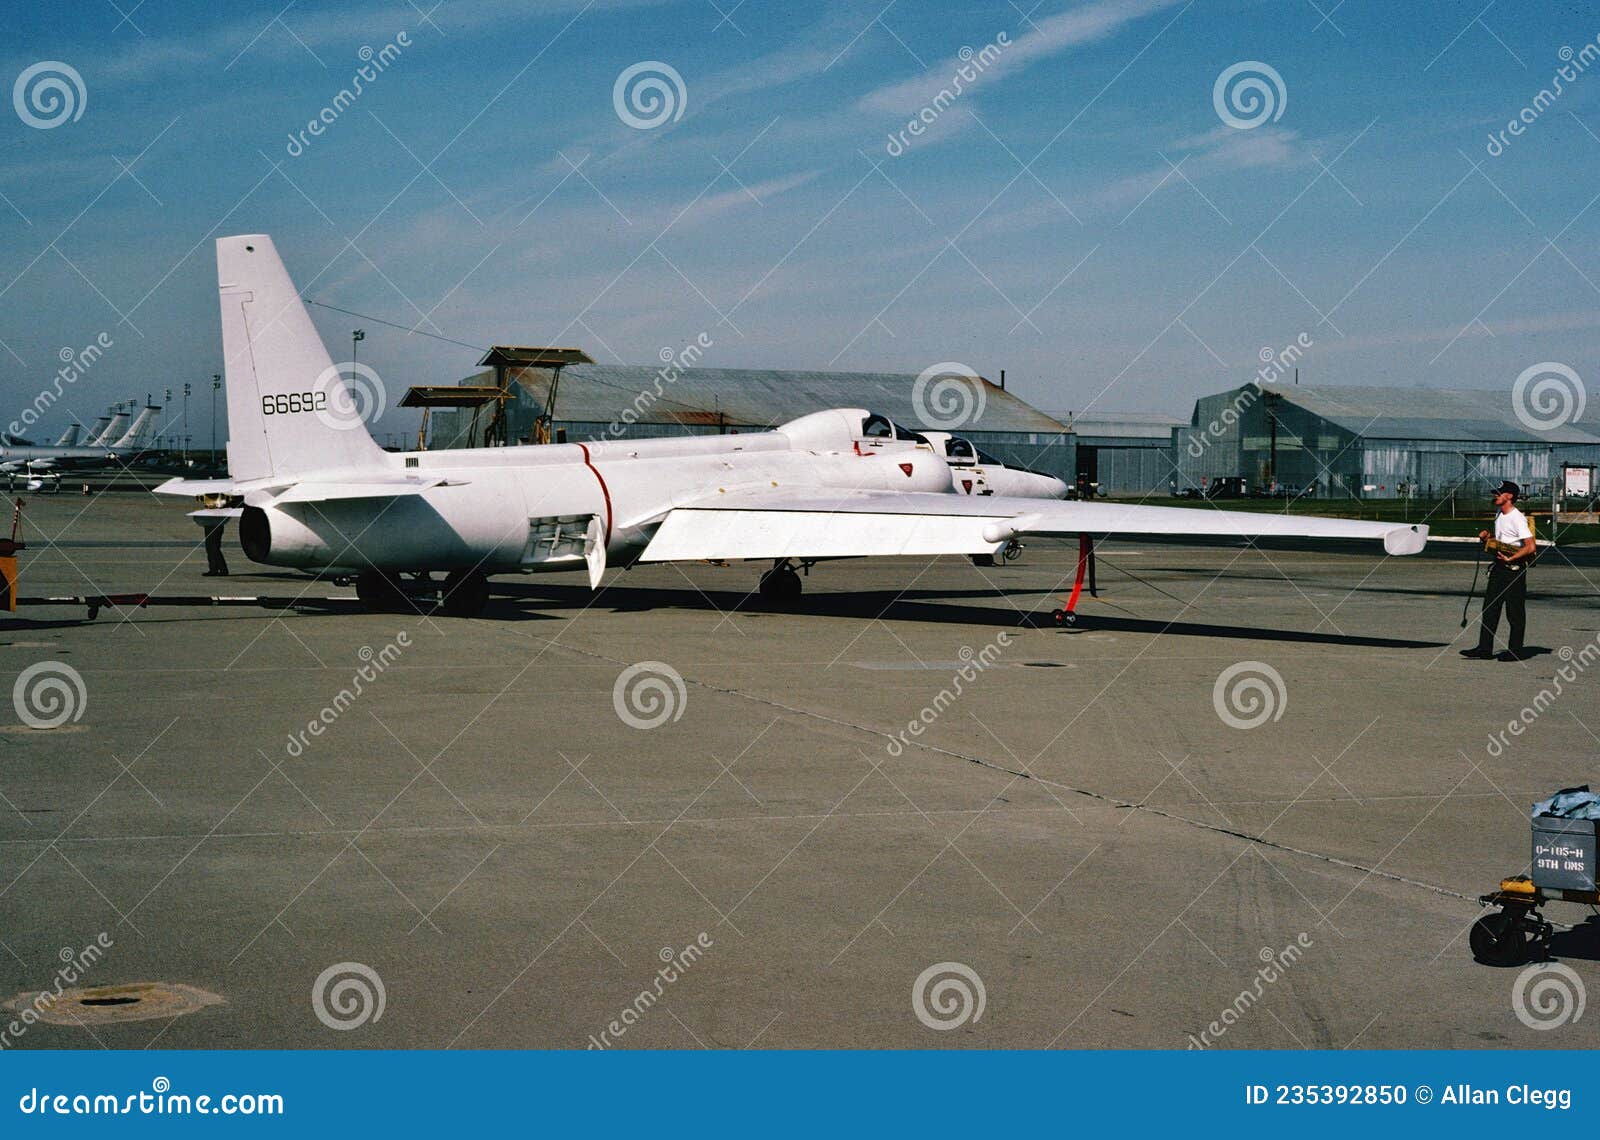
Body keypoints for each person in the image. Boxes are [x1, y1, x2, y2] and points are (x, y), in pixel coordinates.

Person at [1461, 480, 1535, 660]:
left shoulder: (1517, 518)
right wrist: (1488, 537)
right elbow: (1504, 540)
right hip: (1499, 568)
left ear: (1509, 496)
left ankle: (1515, 651)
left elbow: (1531, 546)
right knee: (1490, 609)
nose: (1495, 495)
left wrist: (1512, 558)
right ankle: (1484, 649)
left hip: (1514, 570)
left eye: (1498, 493)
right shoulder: (1499, 513)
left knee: (1514, 612)